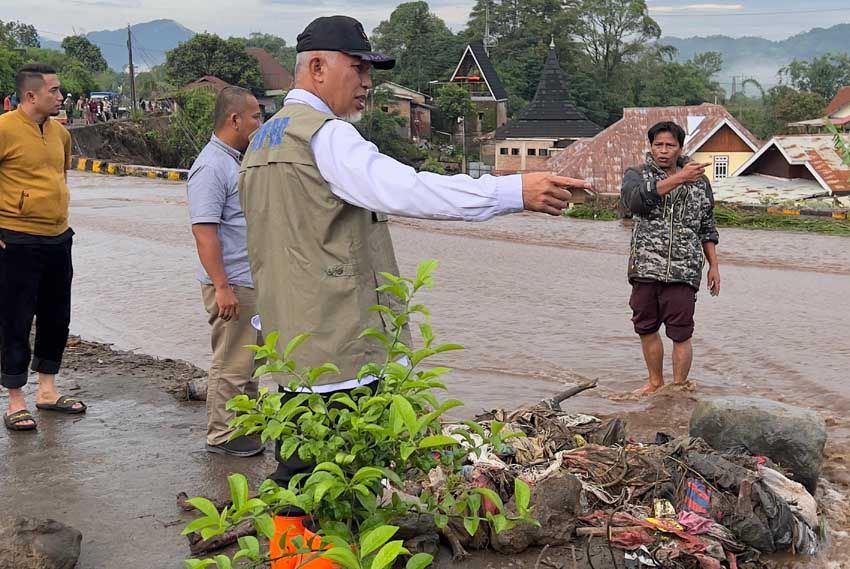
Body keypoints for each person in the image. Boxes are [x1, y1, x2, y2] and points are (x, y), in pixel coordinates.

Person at [238, 15, 592, 484]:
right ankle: (313, 555)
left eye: (370, 71)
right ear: (317, 67)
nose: (367, 83)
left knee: (303, 462)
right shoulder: (327, 136)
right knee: (339, 477)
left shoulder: (262, 140)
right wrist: (512, 192)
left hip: (292, 343)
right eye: (358, 68)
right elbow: (410, 190)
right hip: (339, 344)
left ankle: (294, 552)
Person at [0, 64, 85, 432]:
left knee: (56, 315)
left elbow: (60, 177)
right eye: (54, 90)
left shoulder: (60, 134)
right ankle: (15, 398)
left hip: (57, 237)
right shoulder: (4, 130)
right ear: (31, 95)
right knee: (15, 319)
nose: (61, 96)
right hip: (16, 238)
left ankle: (47, 391)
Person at [187, 86, 265, 456]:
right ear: (235, 119)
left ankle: (244, 429)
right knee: (232, 362)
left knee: (248, 362)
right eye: (256, 117)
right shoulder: (211, 166)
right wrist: (222, 286)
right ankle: (222, 435)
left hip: (247, 280)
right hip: (231, 281)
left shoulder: (235, 160)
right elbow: (205, 232)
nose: (259, 123)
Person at [620, 121, 720, 395]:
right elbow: (635, 201)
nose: (663, 151)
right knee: (646, 327)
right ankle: (655, 382)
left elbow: (707, 225)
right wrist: (679, 178)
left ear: (680, 148)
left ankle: (678, 387)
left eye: (669, 145)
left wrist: (714, 266)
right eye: (658, 145)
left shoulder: (700, 182)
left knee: (681, 333)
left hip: (684, 270)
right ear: (650, 147)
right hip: (646, 266)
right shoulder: (637, 175)